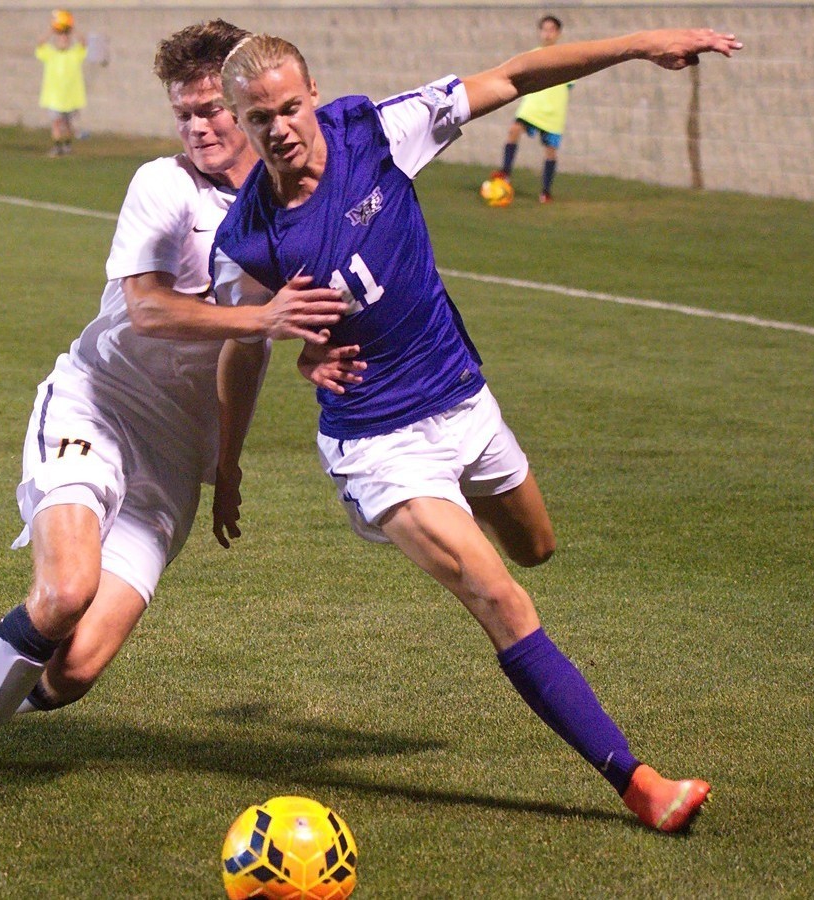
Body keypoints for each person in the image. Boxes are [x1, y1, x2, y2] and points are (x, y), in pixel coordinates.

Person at [211, 28, 741, 832]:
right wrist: (237, 444)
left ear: (312, 95)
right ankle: (640, 785)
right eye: (259, 118)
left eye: (289, 107)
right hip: (379, 444)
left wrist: (643, 45)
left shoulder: (375, 132)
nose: (279, 127)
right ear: (239, 122)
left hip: (461, 398)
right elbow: (240, 337)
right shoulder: (249, 235)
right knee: (499, 592)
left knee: (535, 546)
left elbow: (517, 74)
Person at [0, 20, 360, 810]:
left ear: (247, 109)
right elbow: (145, 308)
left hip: (173, 461)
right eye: (184, 114)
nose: (199, 128)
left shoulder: (289, 215)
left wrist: (227, 464)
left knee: (74, 672)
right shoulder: (163, 186)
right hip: (95, 408)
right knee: (67, 591)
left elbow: (252, 356)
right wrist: (263, 319)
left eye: (212, 110)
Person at [493, 15, 570, 202]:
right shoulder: (533, 54)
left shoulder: (566, 55)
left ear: (558, 33)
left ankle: (545, 191)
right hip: (533, 105)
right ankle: (506, 173)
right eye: (544, 29)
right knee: (513, 131)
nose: (547, 33)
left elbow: (569, 83)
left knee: (550, 150)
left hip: (553, 110)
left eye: (551, 29)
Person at [36, 10, 87, 156]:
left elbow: (83, 43)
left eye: (66, 38)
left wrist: (71, 29)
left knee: (68, 124)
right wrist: (52, 30)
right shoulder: (50, 53)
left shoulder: (74, 53)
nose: (63, 39)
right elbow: (40, 44)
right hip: (54, 96)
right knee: (56, 122)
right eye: (61, 37)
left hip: (70, 96)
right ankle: (58, 147)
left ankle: (67, 145)